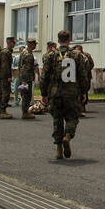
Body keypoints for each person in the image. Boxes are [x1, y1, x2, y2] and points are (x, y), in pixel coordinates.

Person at [39, 29, 90, 160]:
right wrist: (84, 91)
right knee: (72, 118)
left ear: (58, 40)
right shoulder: (77, 55)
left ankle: (59, 149)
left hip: (55, 92)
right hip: (71, 92)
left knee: (57, 119)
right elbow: (83, 76)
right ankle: (67, 136)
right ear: (69, 39)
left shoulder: (51, 55)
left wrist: (44, 93)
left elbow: (44, 76)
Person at [0, 38, 16, 118]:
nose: (14, 44)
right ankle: (3, 111)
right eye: (13, 42)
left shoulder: (4, 51)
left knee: (2, 91)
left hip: (2, 75)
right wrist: (9, 76)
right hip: (5, 75)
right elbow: (5, 66)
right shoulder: (5, 52)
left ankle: (2, 110)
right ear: (9, 43)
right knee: (5, 92)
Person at [16, 39, 38, 120]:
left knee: (25, 95)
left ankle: (25, 111)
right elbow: (26, 68)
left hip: (23, 76)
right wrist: (24, 81)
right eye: (34, 44)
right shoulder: (28, 54)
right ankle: (25, 112)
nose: (35, 46)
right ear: (31, 45)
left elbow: (20, 66)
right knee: (27, 95)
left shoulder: (24, 52)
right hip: (27, 77)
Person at [72, 44, 95, 116]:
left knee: (84, 90)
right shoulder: (74, 55)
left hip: (86, 76)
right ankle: (78, 108)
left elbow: (91, 64)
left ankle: (83, 106)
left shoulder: (86, 55)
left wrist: (86, 71)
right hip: (77, 77)